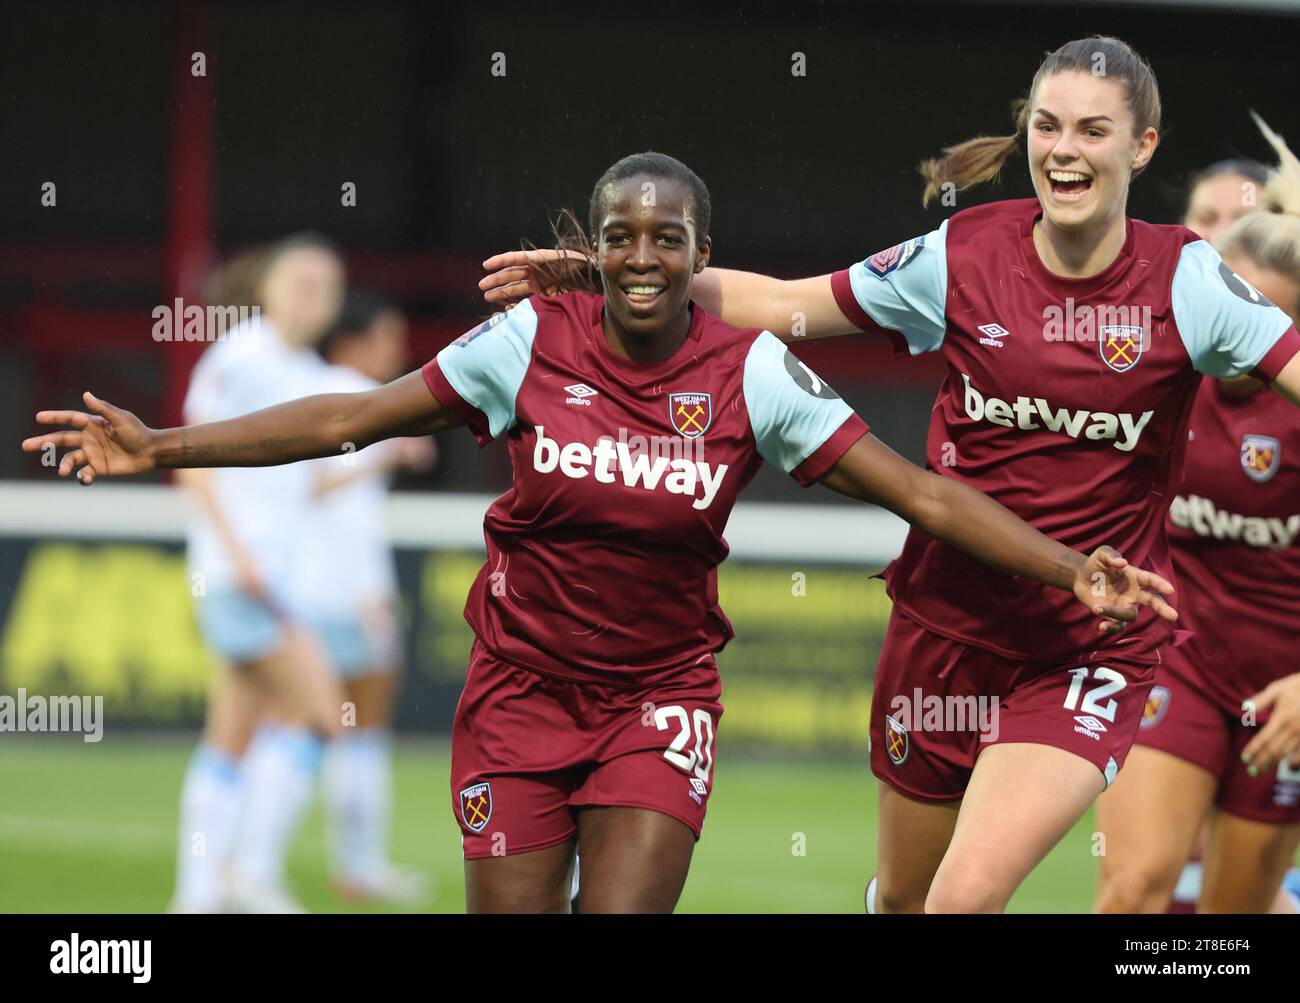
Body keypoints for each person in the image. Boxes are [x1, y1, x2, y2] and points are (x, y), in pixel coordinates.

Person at [25, 152, 1176, 914]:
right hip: (518, 694)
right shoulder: (528, 340)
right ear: (600, 243)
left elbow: (921, 494)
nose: (640, 257)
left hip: (658, 700)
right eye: (621, 236)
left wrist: (1076, 568)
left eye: (665, 240)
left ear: (697, 252)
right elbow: (345, 420)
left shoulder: (752, 372)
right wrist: (165, 444)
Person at [481, 36, 1300, 914]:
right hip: (943, 631)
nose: (1065, 149)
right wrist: (617, 274)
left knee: (967, 898)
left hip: (1086, 646)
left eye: (1095, 131)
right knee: (907, 900)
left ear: (1141, 146)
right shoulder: (963, 254)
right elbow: (790, 306)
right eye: (1049, 126)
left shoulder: (1188, 281)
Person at [1094, 115, 1300, 914]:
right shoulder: (1153, 370)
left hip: (1284, 690)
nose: (1240, 343)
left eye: (1269, 328)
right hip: (1173, 660)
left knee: (1233, 916)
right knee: (1136, 884)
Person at [172, 233, 347, 913]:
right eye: (301, 283)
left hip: (275, 577)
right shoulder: (239, 354)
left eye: (325, 287)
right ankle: (251, 873)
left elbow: (310, 488)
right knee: (323, 714)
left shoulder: (308, 374)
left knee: (232, 734)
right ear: (266, 289)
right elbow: (190, 456)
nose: (313, 298)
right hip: (241, 576)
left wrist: (380, 458)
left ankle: (197, 893)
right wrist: (239, 553)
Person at [290, 289, 436, 904]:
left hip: (308, 592)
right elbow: (314, 485)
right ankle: (355, 866)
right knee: (354, 731)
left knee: (308, 732)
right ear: (351, 343)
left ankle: (256, 865)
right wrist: (389, 454)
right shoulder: (355, 405)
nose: (396, 351)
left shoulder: (318, 390)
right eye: (386, 337)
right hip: (342, 594)